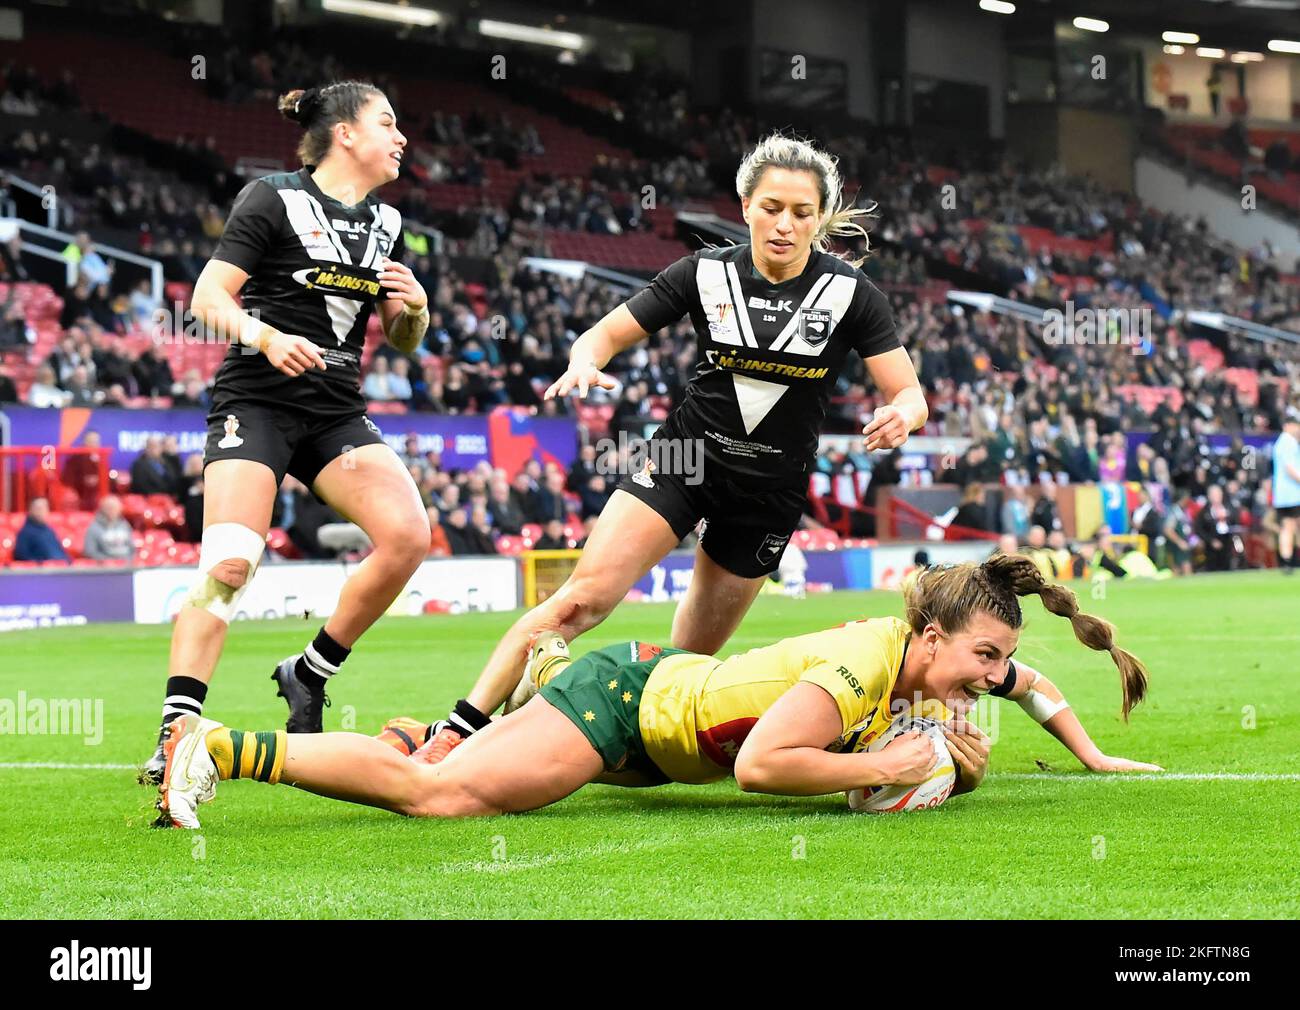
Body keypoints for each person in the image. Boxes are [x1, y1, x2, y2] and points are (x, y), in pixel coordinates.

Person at [418, 132, 927, 757]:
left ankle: (588, 740)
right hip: (683, 461)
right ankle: (457, 731)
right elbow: (600, 336)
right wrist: (585, 361)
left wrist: (902, 414)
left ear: (821, 218)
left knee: (686, 667)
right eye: (771, 208)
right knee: (579, 601)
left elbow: (910, 394)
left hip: (769, 493)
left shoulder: (852, 295)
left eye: (801, 212)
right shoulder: (703, 271)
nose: (785, 225)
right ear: (745, 206)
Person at [156, 555, 1158, 828]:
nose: (989, 678)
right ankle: (216, 747)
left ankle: (441, 729)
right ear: (932, 638)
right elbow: (765, 766)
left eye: (993, 664)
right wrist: (887, 764)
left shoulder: (929, 662)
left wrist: (1091, 752)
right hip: (623, 705)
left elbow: (1036, 687)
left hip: (652, 716)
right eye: (981, 657)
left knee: (452, 765)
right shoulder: (859, 668)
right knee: (443, 798)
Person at [139, 80, 432, 785]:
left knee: (409, 537)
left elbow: (402, 341)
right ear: (346, 134)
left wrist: (415, 312)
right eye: (388, 122)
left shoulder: (388, 223)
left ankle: (309, 670)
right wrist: (263, 336)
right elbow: (207, 299)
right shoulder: (271, 196)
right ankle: (177, 732)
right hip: (258, 403)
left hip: (335, 413)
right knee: (230, 565)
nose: (401, 138)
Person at [1272, 409, 1300, 574]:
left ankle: (1287, 560)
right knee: (1289, 526)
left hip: (1283, 495)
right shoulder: (1288, 442)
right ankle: (1289, 560)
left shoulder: (1281, 442)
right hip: (1292, 494)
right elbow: (1290, 469)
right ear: (1288, 426)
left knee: (1287, 527)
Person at [13, 497, 69, 562]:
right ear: (30, 510)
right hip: (42, 570)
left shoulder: (49, 531)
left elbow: (60, 553)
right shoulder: (25, 533)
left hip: (62, 568)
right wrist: (40, 564)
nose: (42, 511)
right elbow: (21, 556)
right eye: (39, 508)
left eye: (45, 508)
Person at [82, 495, 135, 561]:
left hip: (126, 565)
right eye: (109, 508)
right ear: (102, 509)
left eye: (115, 508)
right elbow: (89, 552)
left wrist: (128, 560)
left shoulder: (125, 525)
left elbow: (132, 549)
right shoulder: (94, 528)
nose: (112, 510)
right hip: (104, 568)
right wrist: (108, 561)